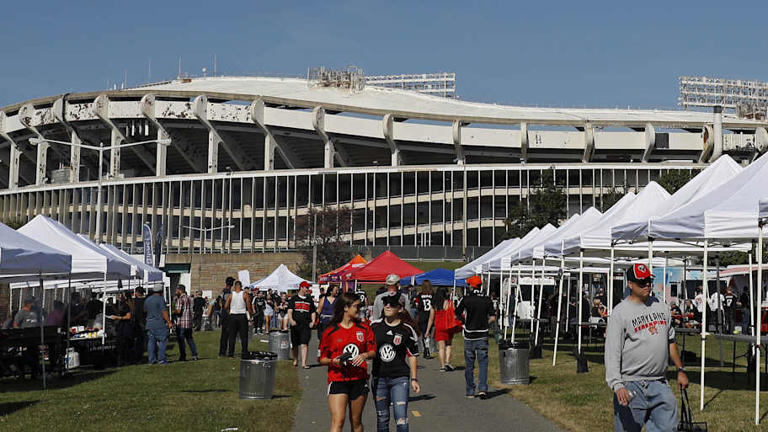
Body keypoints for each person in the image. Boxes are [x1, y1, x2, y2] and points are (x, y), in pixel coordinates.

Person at [605, 262, 688, 431]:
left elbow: (670, 341)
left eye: (649, 281)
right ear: (630, 284)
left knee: (668, 428)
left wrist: (680, 370)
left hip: (659, 382)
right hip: (631, 383)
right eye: (642, 282)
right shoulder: (620, 313)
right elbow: (612, 353)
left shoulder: (662, 307)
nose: (648, 285)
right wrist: (617, 384)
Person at [318, 292, 376, 432]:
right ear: (345, 307)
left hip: (359, 378)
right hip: (338, 379)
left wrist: (364, 355)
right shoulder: (331, 331)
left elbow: (373, 351)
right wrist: (334, 361)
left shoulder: (364, 328)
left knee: (356, 422)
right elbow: (322, 359)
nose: (359, 309)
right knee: (338, 420)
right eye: (356, 306)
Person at [370, 293, 420, 431]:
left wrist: (414, 378)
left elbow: (412, 355)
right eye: (385, 303)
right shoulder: (374, 326)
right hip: (379, 377)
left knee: (401, 419)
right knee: (382, 418)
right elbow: (366, 350)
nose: (387, 306)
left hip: (399, 378)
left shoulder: (406, 330)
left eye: (392, 304)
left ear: (400, 308)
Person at [455, 277, 495, 399]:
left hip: (469, 334)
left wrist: (463, 322)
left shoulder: (466, 299)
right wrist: (486, 324)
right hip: (482, 334)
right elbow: (493, 317)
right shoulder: (487, 300)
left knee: (469, 365)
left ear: (471, 286)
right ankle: (482, 388)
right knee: (483, 363)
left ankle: (470, 390)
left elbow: (457, 313)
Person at [288, 281, 317, 369]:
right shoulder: (294, 299)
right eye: (306, 288)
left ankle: (304, 363)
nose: (308, 290)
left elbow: (313, 312)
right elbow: (290, 311)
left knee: (305, 343)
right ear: (301, 288)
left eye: (308, 288)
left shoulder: (309, 299)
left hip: (306, 324)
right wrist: (291, 320)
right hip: (296, 324)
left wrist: (313, 321)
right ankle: (296, 359)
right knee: (295, 344)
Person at [145, 286, 174, 365]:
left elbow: (145, 310)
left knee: (151, 342)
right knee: (162, 341)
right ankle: (161, 359)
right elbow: (164, 312)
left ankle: (151, 360)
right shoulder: (160, 299)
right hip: (159, 323)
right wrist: (169, 322)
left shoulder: (147, 299)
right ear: (161, 291)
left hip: (149, 323)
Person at [224, 280, 253, 358]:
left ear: (234, 286)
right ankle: (244, 353)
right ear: (241, 286)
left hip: (233, 316)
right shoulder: (245, 294)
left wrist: (229, 312)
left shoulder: (231, 295)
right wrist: (250, 316)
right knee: (244, 336)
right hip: (242, 316)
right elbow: (249, 307)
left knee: (232, 336)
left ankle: (231, 354)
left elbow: (226, 306)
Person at [175, 284, 199, 361]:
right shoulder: (190, 298)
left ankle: (183, 356)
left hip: (181, 322)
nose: (176, 292)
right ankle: (194, 355)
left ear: (180, 290)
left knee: (181, 341)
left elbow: (179, 311)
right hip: (189, 322)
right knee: (190, 339)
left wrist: (173, 312)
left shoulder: (180, 299)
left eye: (177, 290)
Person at [413, 280, 435, 359]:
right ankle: (428, 348)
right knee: (428, 332)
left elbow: (419, 306)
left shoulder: (420, 295)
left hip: (423, 315)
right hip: (431, 314)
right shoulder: (433, 294)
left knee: (423, 333)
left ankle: (426, 348)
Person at [110, 292, 134, 366]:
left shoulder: (127, 306)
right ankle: (123, 359)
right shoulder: (124, 305)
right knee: (122, 344)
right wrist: (112, 305)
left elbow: (128, 316)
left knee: (125, 343)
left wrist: (117, 317)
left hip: (125, 326)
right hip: (122, 326)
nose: (120, 297)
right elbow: (119, 313)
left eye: (121, 296)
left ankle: (126, 360)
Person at [218, 277, 234, 357]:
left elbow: (220, 302)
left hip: (223, 314)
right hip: (227, 314)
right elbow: (228, 304)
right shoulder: (228, 292)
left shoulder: (222, 291)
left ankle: (222, 352)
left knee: (224, 334)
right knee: (228, 334)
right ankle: (226, 352)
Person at [131, 286, 147, 364]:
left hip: (137, 322)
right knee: (141, 341)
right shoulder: (145, 300)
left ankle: (138, 357)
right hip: (143, 322)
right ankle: (139, 356)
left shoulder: (135, 301)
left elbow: (133, 312)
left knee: (138, 341)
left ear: (137, 292)